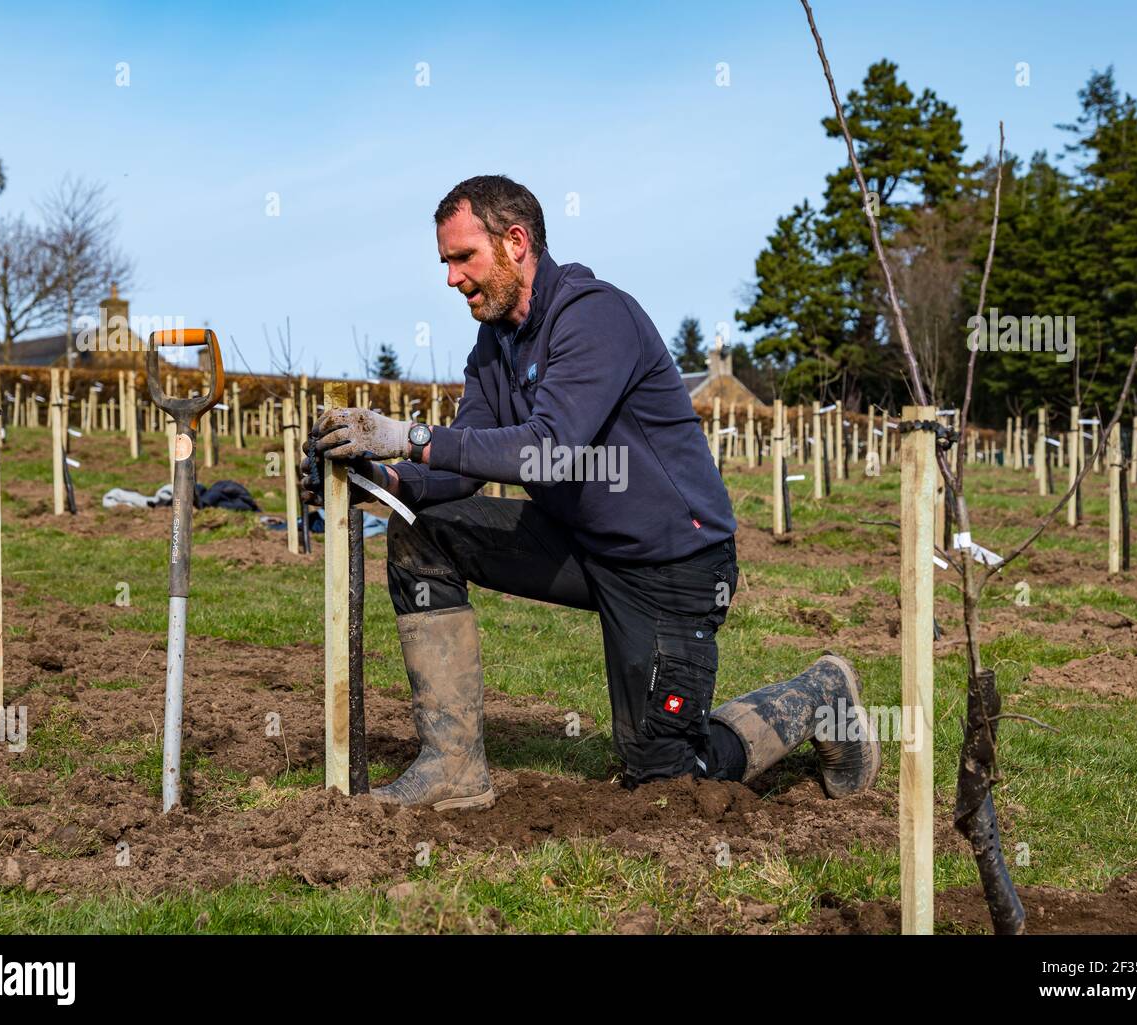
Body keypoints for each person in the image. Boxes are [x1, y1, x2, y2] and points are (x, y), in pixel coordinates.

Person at [300, 175, 879, 811]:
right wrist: (377, 480)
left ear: (516, 242)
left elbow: (551, 450)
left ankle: (821, 695)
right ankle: (453, 765)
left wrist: (405, 435)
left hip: (672, 567)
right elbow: (460, 468)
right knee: (425, 527)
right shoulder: (494, 343)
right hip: (579, 544)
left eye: (463, 257)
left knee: (666, 777)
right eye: (446, 262)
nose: (451, 278)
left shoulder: (595, 315)